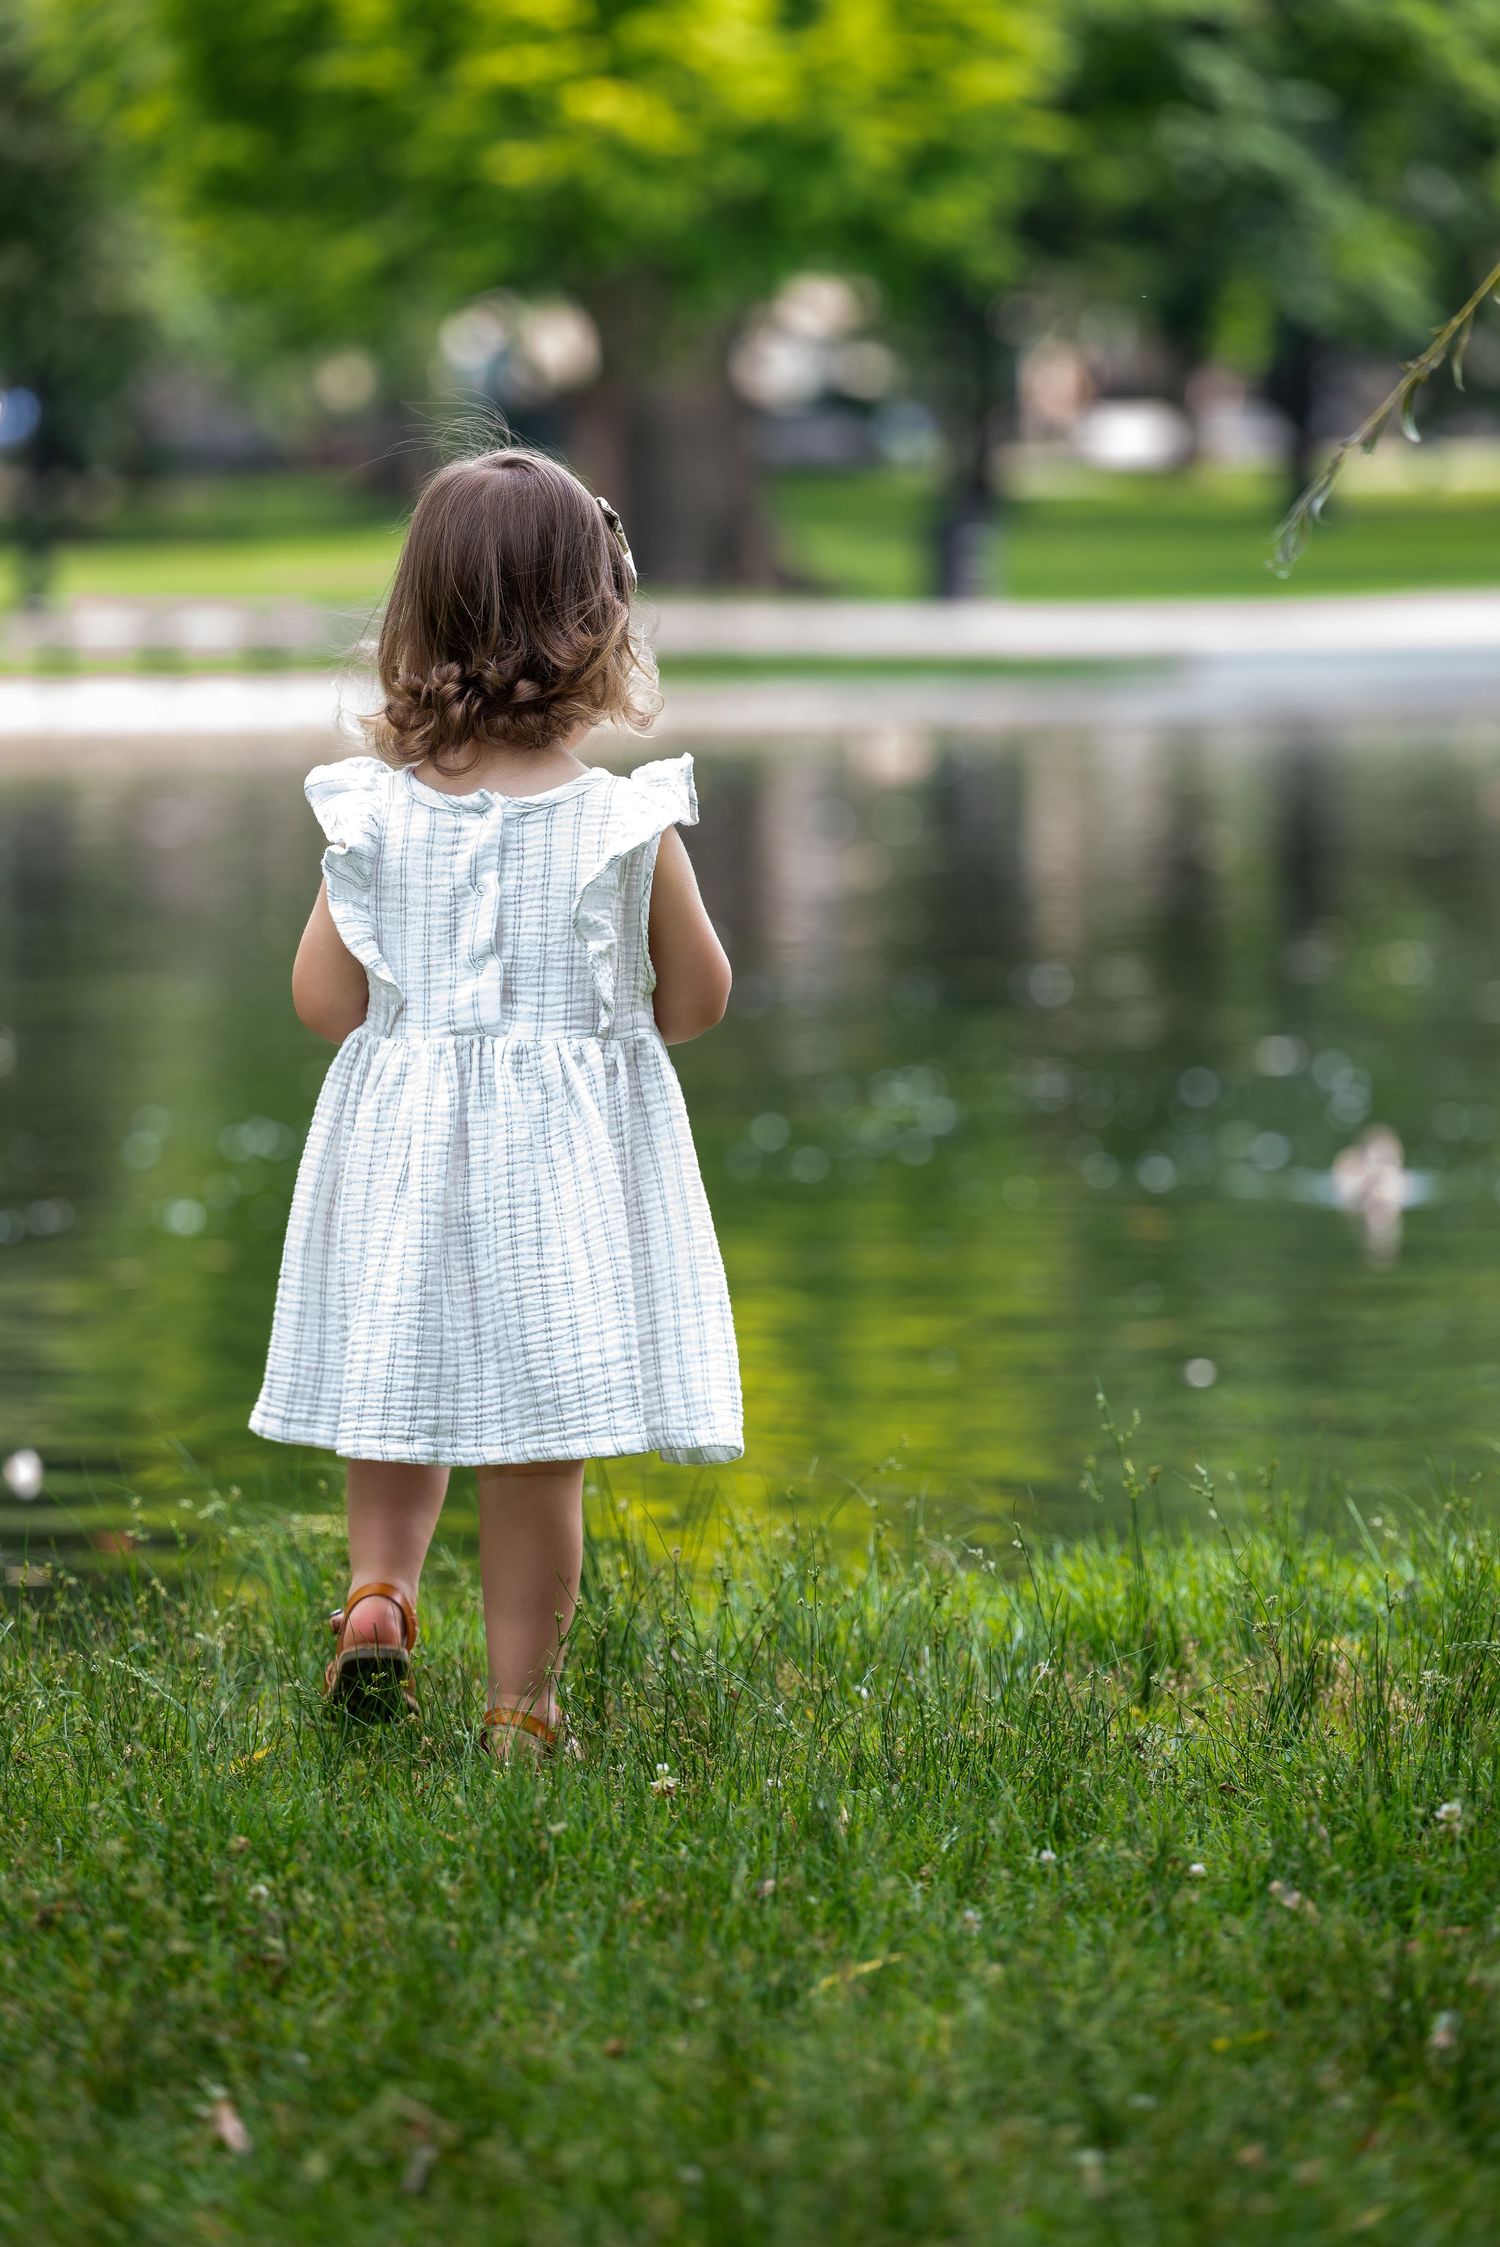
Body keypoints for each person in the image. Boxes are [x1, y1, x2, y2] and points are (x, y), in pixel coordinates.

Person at [248, 445, 743, 1762]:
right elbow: (694, 1003)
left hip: (402, 1145)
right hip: (566, 1165)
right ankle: (521, 1707)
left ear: (416, 622)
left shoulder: (368, 813)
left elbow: (323, 1003)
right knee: (542, 1446)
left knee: (391, 1391)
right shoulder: (625, 820)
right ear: (601, 625)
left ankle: (378, 1594)